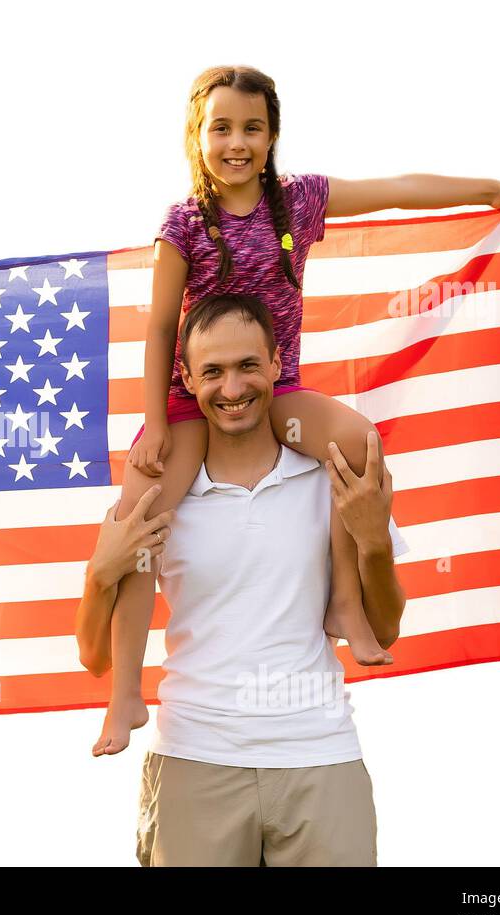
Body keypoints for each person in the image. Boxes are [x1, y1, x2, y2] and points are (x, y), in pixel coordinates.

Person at [94, 63, 500, 755]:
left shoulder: (297, 202)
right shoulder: (183, 225)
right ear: (198, 136)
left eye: (253, 127)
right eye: (221, 128)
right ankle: (126, 693)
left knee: (357, 443)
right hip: (195, 402)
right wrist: (156, 420)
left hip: (276, 395)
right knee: (139, 526)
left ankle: (343, 600)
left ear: (272, 135)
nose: (237, 142)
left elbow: (397, 191)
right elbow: (159, 328)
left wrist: (489, 189)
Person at [77, 293, 407, 866]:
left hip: (319, 756)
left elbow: (387, 627)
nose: (232, 388)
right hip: (194, 756)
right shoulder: (163, 497)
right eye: (213, 372)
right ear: (186, 378)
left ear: (277, 365)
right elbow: (93, 655)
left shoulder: (327, 472)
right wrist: (98, 572)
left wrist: (374, 540)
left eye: (247, 366)